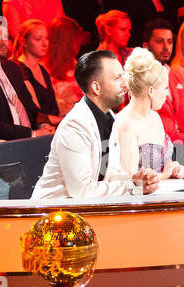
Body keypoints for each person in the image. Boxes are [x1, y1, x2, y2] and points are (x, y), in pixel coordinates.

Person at [33, 50, 161, 199]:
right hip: (52, 214)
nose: (125, 84)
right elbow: (81, 191)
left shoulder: (109, 119)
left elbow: (111, 176)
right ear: (96, 88)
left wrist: (139, 181)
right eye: (117, 78)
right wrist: (133, 187)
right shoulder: (74, 127)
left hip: (83, 212)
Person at [114, 47, 184, 179]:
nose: (166, 94)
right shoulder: (126, 124)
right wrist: (164, 176)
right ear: (151, 91)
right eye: (165, 88)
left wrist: (174, 168)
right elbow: (128, 182)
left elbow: (165, 163)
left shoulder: (155, 117)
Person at [12, 18, 62, 127]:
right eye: (38, 39)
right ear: (24, 42)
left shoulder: (42, 69)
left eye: (47, 38)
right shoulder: (20, 70)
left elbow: (53, 108)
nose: (45, 44)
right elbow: (36, 115)